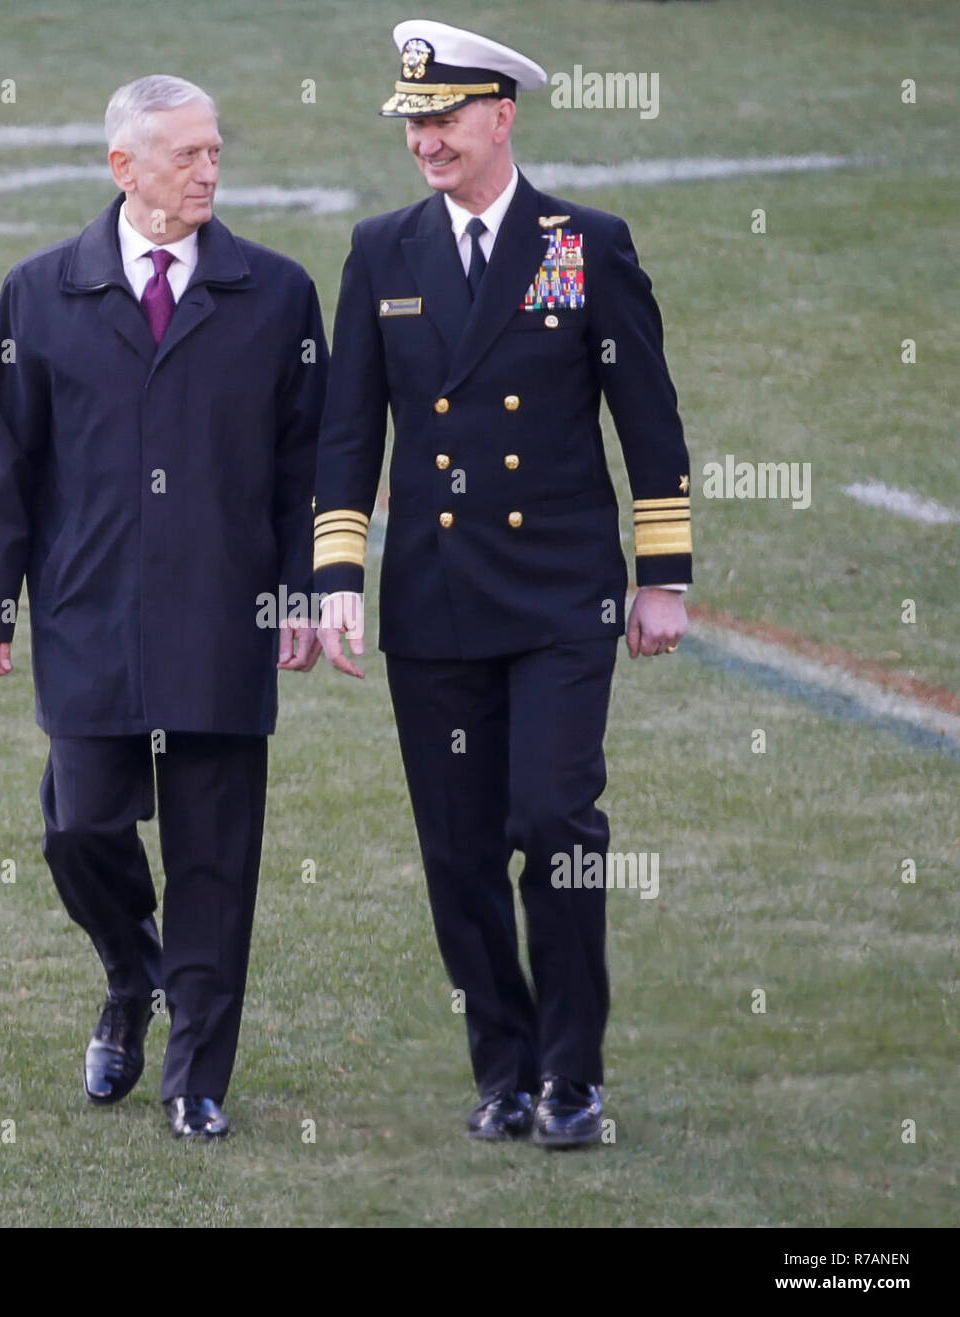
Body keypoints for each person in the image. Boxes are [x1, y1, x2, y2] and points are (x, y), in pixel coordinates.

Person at [314, 20, 691, 1146]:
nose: (425, 140)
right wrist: (337, 577)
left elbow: (650, 423)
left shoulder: (583, 243)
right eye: (413, 123)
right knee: (460, 845)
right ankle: (504, 1068)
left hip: (561, 597)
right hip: (433, 601)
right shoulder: (380, 251)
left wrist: (660, 576)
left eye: (442, 119)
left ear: (500, 117)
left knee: (553, 816)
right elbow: (346, 437)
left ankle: (574, 1073)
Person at [0, 74, 326, 1141]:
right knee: (78, 828)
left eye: (215, 151)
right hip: (87, 617)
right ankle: (132, 976)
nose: (209, 170)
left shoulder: (279, 294)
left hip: (223, 617)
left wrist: (306, 585)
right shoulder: (38, 292)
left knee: (214, 856)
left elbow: (312, 463)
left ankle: (195, 1076)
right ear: (123, 168)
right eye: (185, 155)